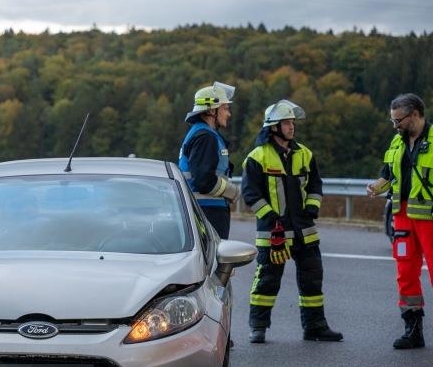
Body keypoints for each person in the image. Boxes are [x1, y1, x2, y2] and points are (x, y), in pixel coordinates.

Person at [242, 100, 342, 343]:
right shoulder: (257, 157)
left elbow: (316, 185)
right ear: (274, 127)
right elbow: (250, 195)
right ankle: (258, 327)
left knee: (312, 281)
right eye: (287, 122)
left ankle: (315, 327)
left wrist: (312, 208)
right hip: (273, 233)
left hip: (305, 231)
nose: (292, 127)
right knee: (266, 281)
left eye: (292, 122)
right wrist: (271, 219)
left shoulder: (305, 154)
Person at [366, 93, 430, 349]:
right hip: (402, 218)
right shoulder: (396, 141)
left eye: (399, 120)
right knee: (405, 275)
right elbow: (388, 176)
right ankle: (413, 329)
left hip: (430, 219)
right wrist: (376, 187)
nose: (395, 126)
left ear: (415, 115)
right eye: (392, 121)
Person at [178, 82, 240, 238]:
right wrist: (232, 191)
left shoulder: (202, 134)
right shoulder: (206, 137)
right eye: (225, 108)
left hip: (203, 211)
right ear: (212, 110)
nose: (229, 114)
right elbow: (203, 181)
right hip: (208, 212)